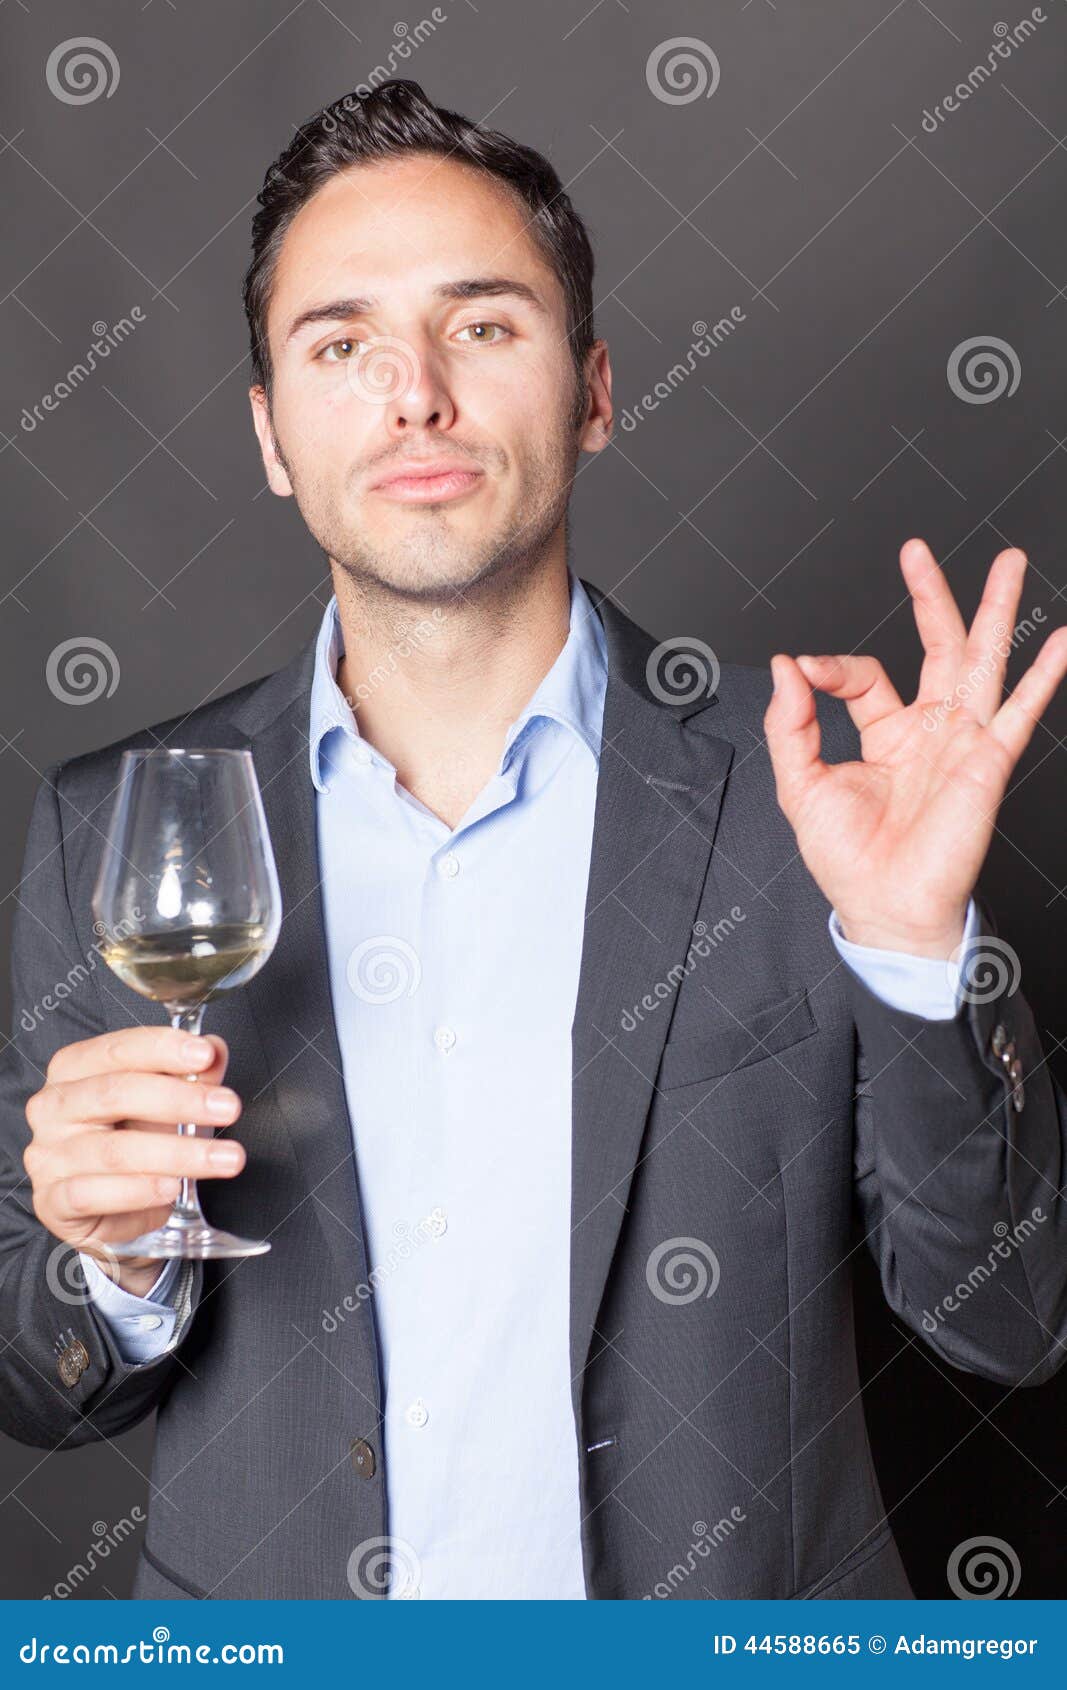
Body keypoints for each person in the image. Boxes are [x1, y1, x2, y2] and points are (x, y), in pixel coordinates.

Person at [2, 79, 1065, 1602]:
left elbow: (1011, 1319)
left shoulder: (812, 800)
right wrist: (112, 1264)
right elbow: (34, 1379)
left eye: (484, 325)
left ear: (594, 391)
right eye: (342, 344)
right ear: (271, 436)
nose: (414, 392)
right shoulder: (117, 829)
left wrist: (912, 955)